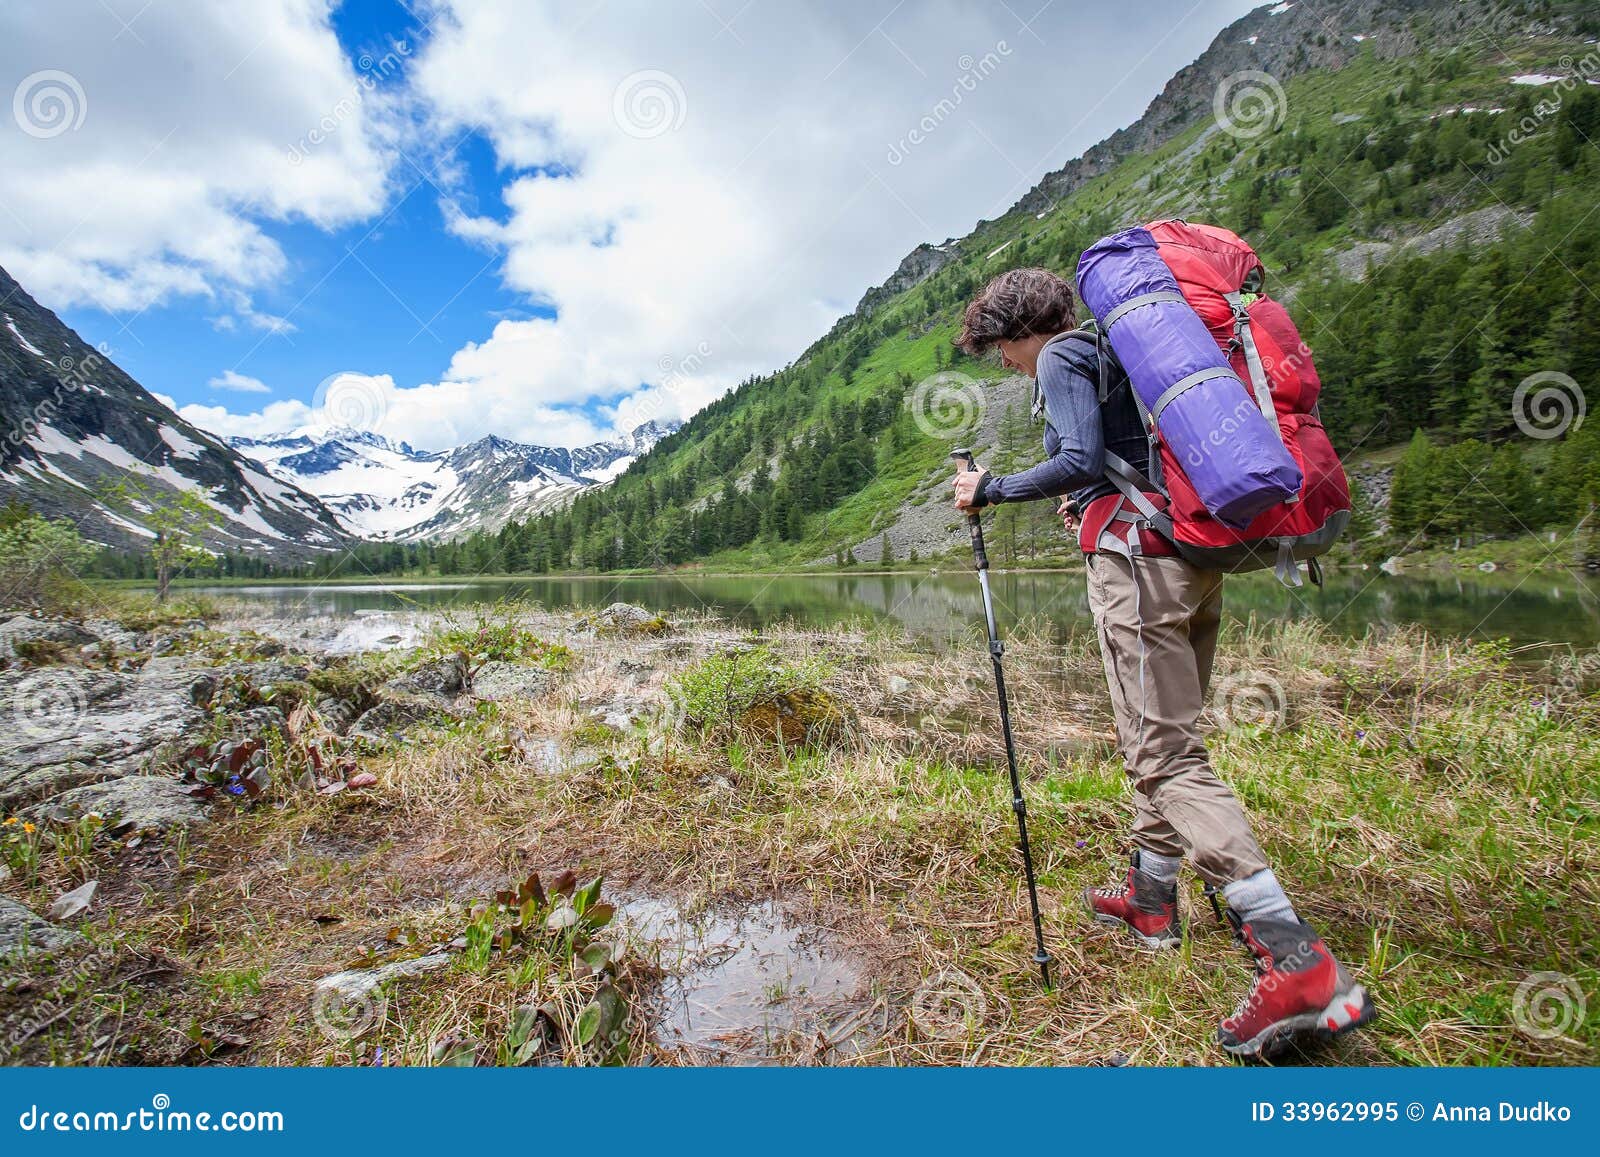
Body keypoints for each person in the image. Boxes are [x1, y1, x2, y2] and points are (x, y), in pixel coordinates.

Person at [949, 266, 1374, 1060]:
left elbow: (1077, 456)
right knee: (1164, 735)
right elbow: (1111, 452)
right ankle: (1152, 897)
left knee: (1165, 752)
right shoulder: (1119, 352)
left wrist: (989, 487)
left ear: (1015, 333)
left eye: (999, 352)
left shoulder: (1063, 358)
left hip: (1137, 564)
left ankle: (1297, 963)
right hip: (1188, 554)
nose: (1004, 366)